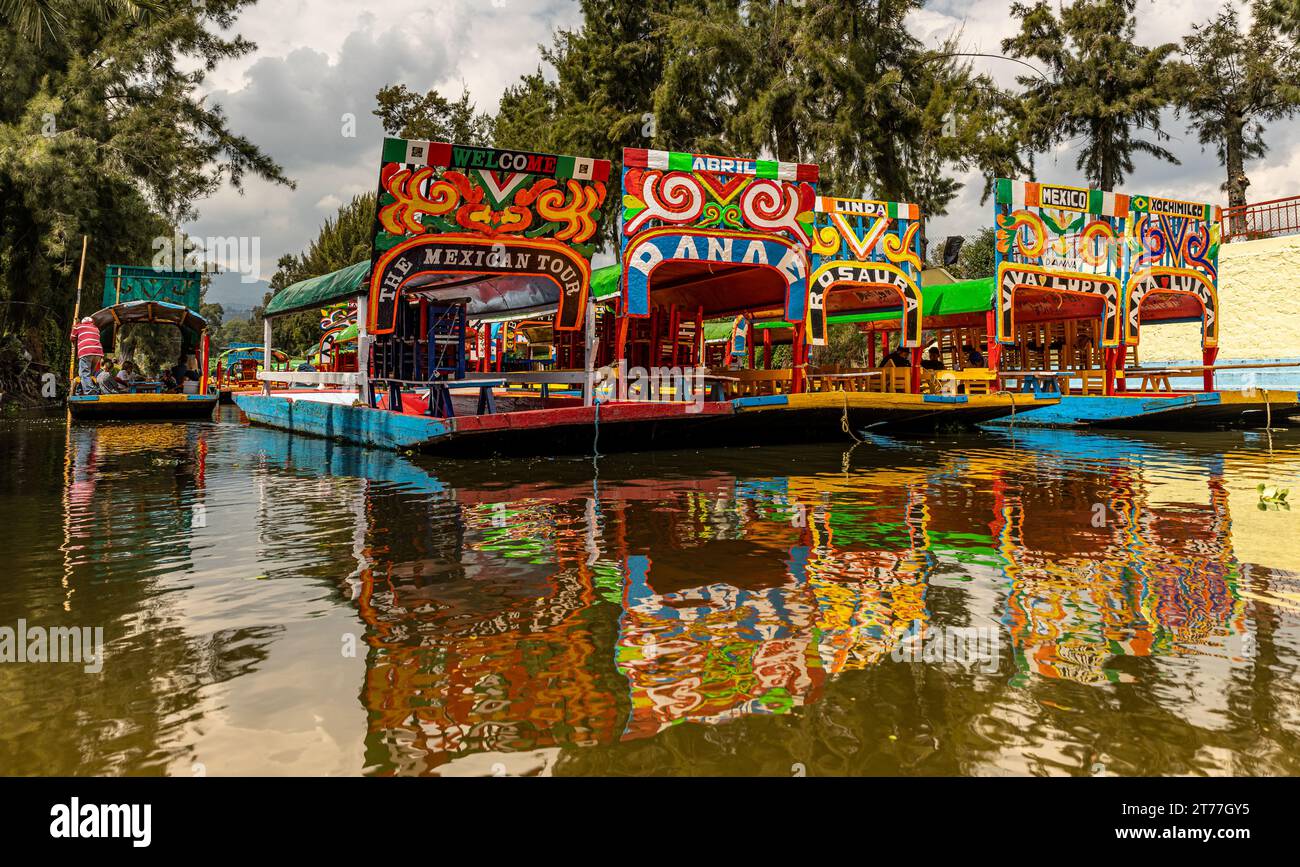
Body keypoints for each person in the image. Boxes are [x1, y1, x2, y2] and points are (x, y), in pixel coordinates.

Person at [71, 317, 104, 394]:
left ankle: (89, 391)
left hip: (86, 351)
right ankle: (81, 390)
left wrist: (74, 327)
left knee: (84, 374)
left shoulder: (78, 326)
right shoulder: (96, 328)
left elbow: (72, 338)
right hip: (98, 353)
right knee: (87, 375)